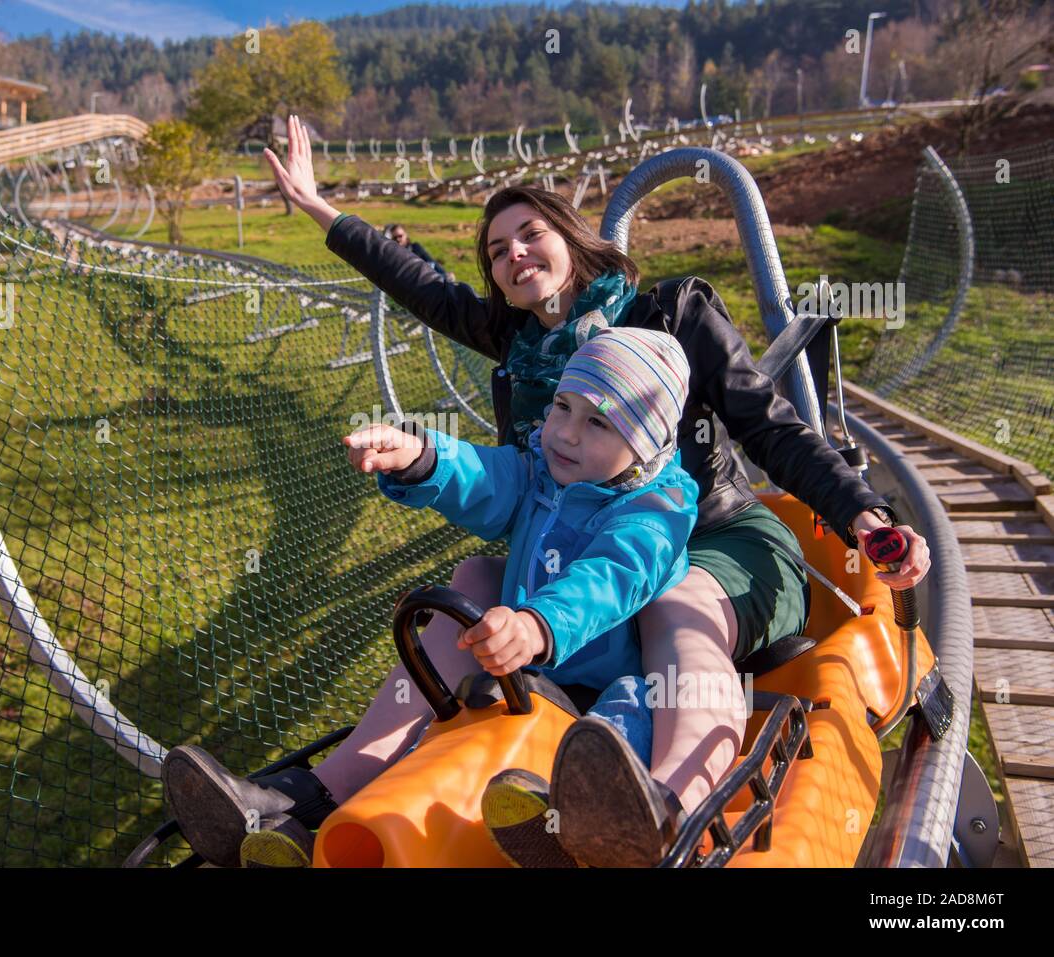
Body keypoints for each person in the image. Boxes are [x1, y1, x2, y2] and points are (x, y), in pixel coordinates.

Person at [162, 114, 933, 869]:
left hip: (709, 540)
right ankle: (308, 798)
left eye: (530, 233)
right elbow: (423, 291)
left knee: (674, 603)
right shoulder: (522, 343)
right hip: (584, 558)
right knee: (464, 585)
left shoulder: (670, 316)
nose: (515, 253)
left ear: (571, 233)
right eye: (497, 250)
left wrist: (862, 512)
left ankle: (672, 807)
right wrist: (321, 210)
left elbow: (771, 427)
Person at [161, 328, 700, 867]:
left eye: (598, 422)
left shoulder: (657, 508)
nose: (567, 433)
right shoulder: (542, 471)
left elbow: (613, 575)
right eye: (562, 406)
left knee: (636, 700)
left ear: (645, 446)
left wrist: (540, 624)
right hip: (521, 678)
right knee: (464, 624)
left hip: (593, 684)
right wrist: (423, 456)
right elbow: (487, 477)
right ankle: (312, 805)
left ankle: (587, 818)